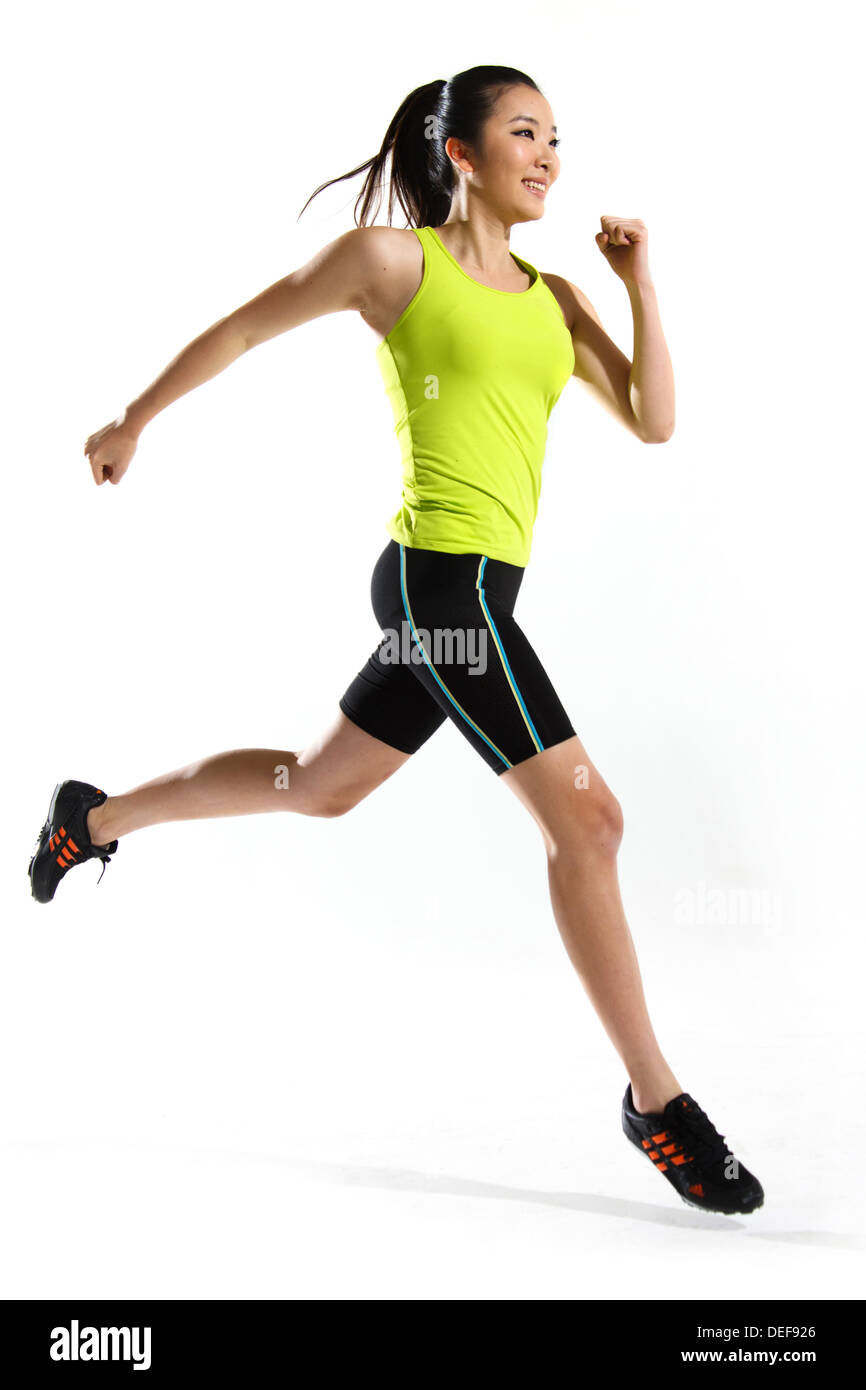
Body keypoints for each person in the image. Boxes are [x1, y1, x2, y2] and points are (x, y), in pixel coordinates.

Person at [28, 65, 762, 1216]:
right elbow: (243, 327)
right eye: (522, 131)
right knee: (591, 818)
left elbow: (654, 421)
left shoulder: (555, 298)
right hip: (437, 591)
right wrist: (135, 417)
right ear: (459, 153)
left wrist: (637, 285)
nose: (548, 154)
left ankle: (94, 816)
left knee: (319, 785)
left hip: (477, 600)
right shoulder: (393, 264)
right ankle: (655, 1103)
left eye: (556, 136)